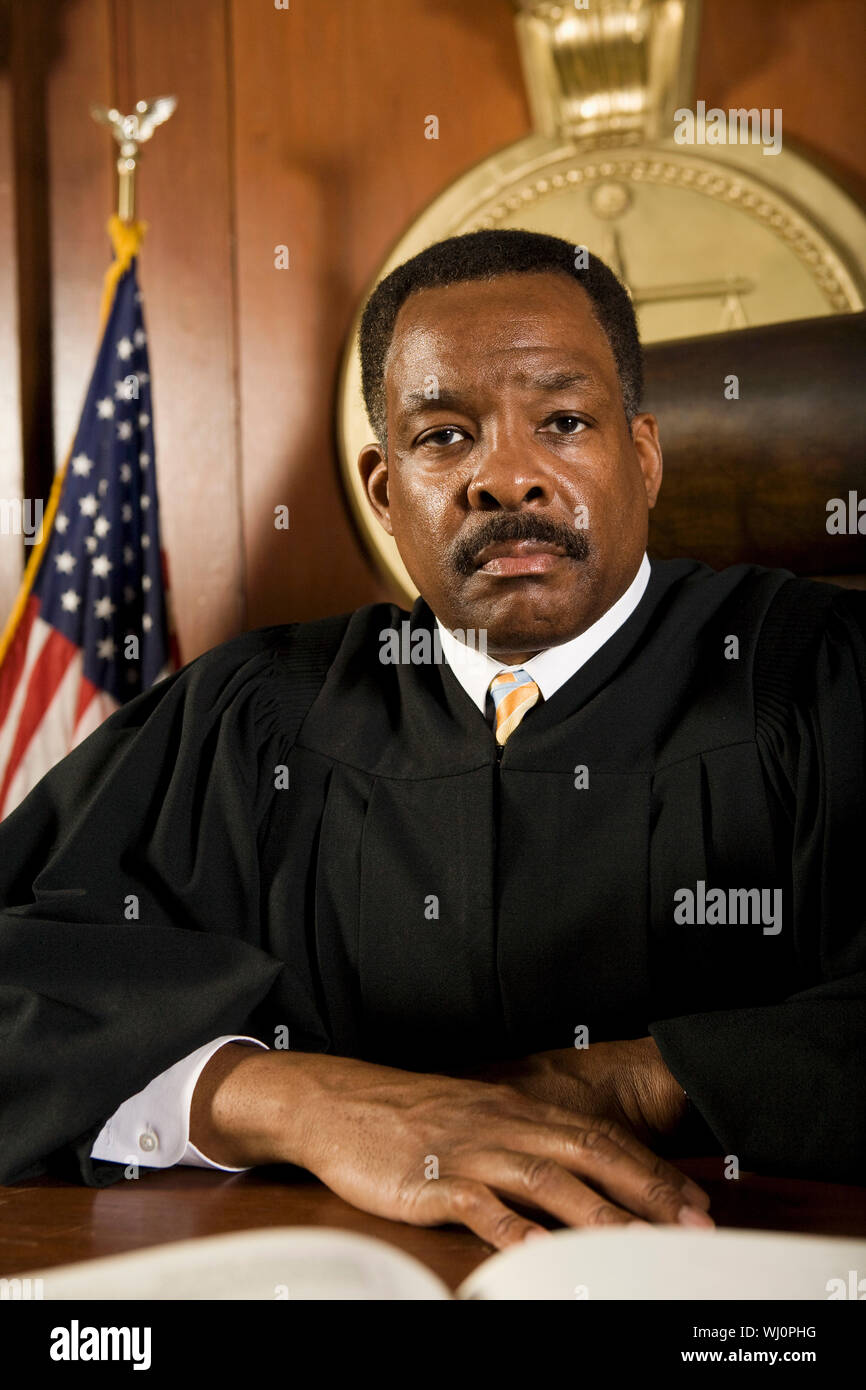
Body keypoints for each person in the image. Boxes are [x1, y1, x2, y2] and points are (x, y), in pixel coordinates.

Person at [1, 230, 863, 1249]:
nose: (506, 478)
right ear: (381, 490)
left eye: (562, 419)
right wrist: (294, 1101)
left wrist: (637, 1077)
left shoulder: (817, 676)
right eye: (444, 436)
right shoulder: (252, 716)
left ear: (640, 456)